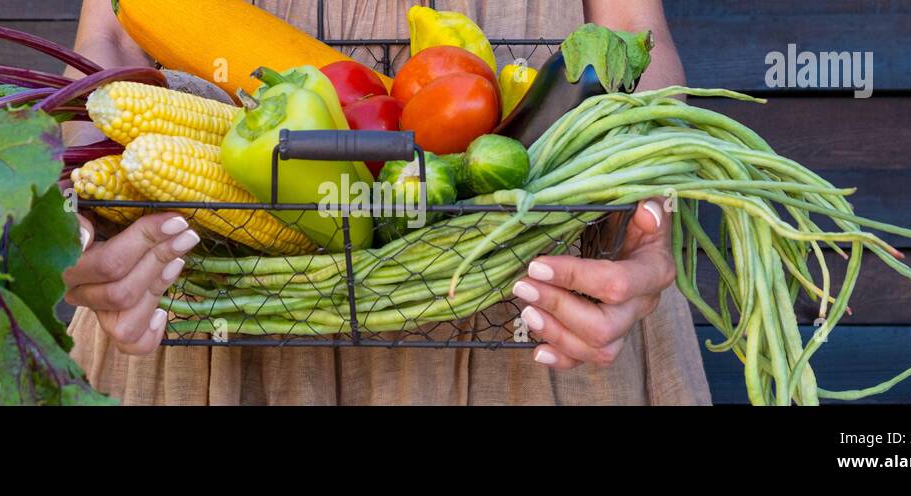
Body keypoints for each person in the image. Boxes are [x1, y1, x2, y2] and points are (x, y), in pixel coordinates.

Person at [62, 0, 710, 405]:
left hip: (540, 275)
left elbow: (629, 32)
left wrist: (643, 208)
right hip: (220, 303)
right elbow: (113, 38)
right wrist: (91, 213)